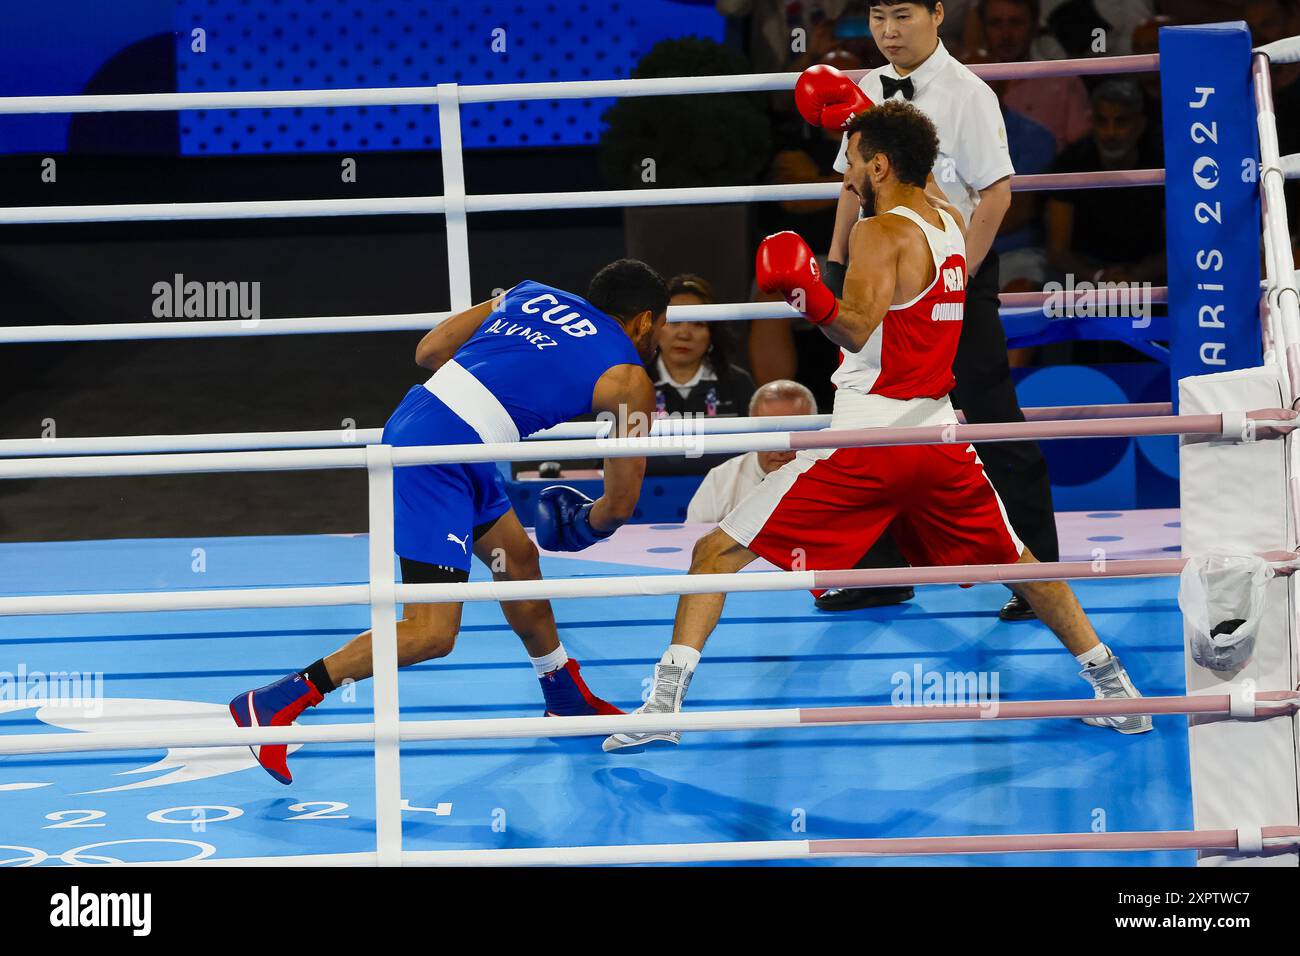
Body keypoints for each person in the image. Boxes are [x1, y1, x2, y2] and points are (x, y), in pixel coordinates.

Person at [604, 102, 1150, 754]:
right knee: (1023, 562)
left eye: (855, 161)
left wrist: (804, 293)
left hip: (868, 443)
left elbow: (854, 327)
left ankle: (664, 703)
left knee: (715, 555)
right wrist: (862, 116)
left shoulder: (876, 234)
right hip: (939, 439)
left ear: (880, 165)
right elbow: (920, 176)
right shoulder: (947, 217)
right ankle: (1119, 692)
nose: (848, 175)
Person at [230, 260, 669, 784]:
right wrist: (583, 525)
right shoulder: (630, 379)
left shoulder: (533, 293)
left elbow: (429, 351)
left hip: (431, 425)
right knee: (431, 633)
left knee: (518, 561)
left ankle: (564, 695)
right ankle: (275, 701)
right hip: (436, 456)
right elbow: (619, 506)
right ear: (644, 321)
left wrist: (513, 375)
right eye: (661, 326)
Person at [819, 0, 1061, 622]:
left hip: (953, 273)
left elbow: (996, 194)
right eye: (876, 18)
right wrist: (835, 259)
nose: (888, 32)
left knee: (988, 415)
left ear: (937, 14)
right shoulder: (864, 90)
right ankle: (880, 573)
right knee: (868, 416)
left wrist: (960, 271)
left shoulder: (967, 94)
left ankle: (1037, 573)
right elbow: (852, 185)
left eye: (902, 16)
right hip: (880, 273)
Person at [648, 273, 755, 477]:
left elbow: (755, 455)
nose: (684, 334)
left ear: (712, 333)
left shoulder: (737, 383)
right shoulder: (632, 382)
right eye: (675, 322)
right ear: (656, 327)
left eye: (697, 324)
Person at [685, 379, 817, 523]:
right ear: (753, 432)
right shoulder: (721, 479)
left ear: (815, 432)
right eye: (770, 432)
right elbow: (693, 540)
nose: (781, 449)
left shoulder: (835, 477)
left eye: (794, 433)